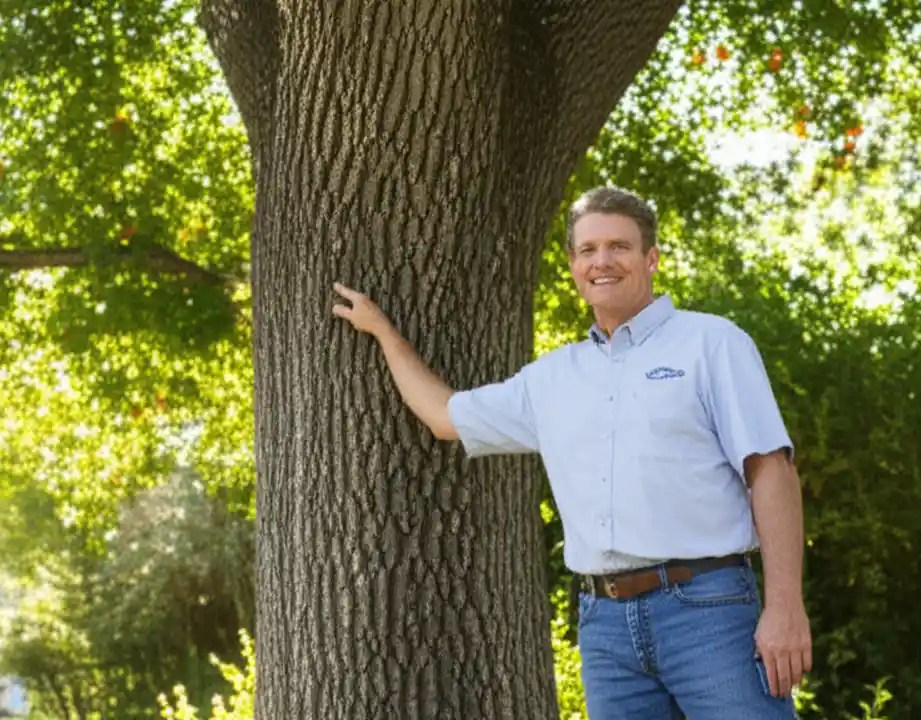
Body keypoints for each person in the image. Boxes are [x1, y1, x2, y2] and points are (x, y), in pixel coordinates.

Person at [331, 186, 812, 719]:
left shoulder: (711, 344)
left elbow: (771, 470)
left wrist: (785, 605)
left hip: (709, 611)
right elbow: (445, 417)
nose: (602, 261)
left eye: (618, 247)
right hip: (605, 628)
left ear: (650, 258)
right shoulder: (552, 378)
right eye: (587, 250)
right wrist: (382, 331)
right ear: (573, 266)